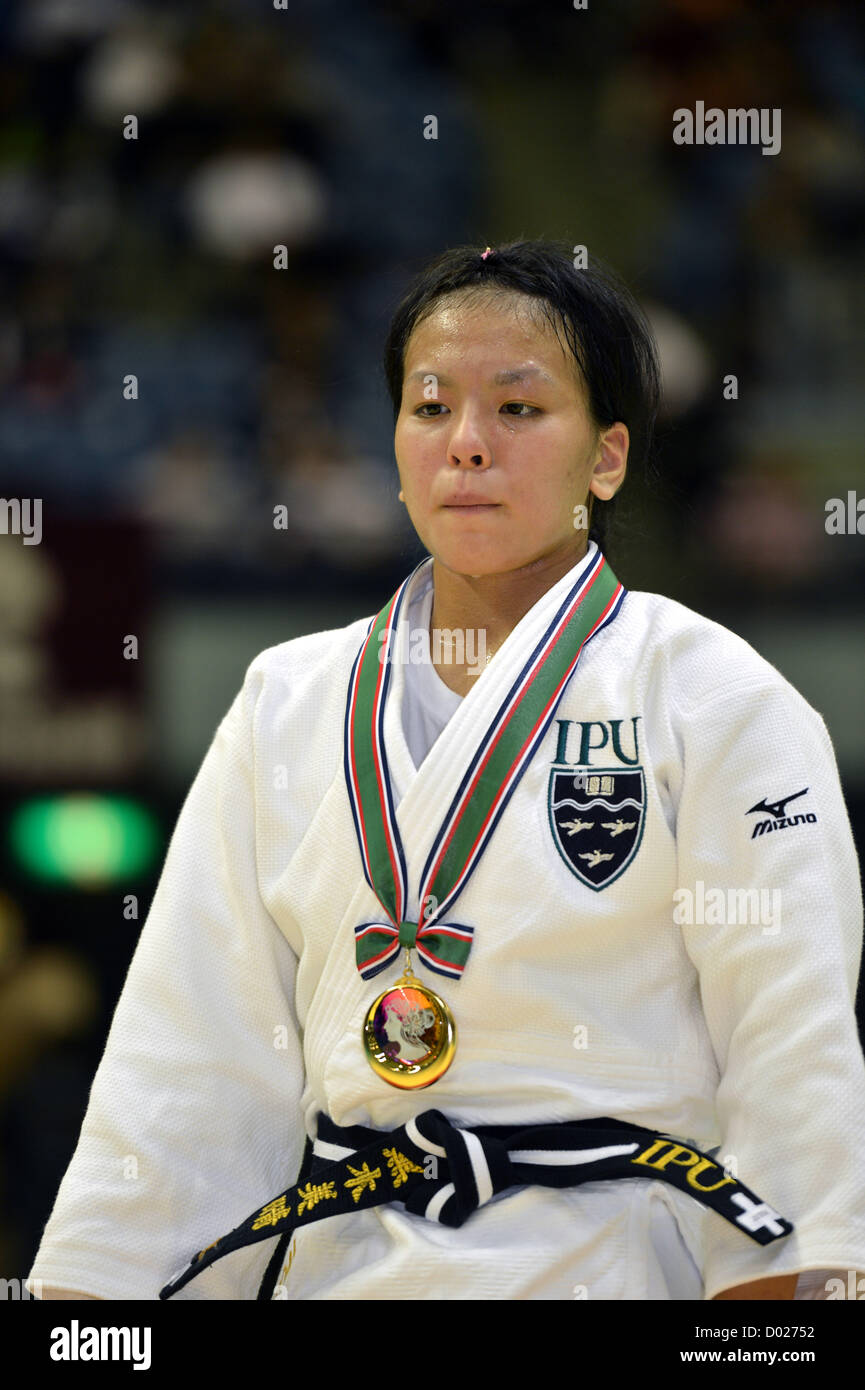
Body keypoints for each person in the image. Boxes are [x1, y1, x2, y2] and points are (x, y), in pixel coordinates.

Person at [29, 239, 865, 1302]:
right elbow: (187, 1059)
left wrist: (777, 1307)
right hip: (341, 1265)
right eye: (430, 408)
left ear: (604, 459)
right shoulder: (286, 699)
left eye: (517, 410)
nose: (465, 444)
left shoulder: (712, 695)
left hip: (612, 1265)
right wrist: (94, 1306)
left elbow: (788, 1048)